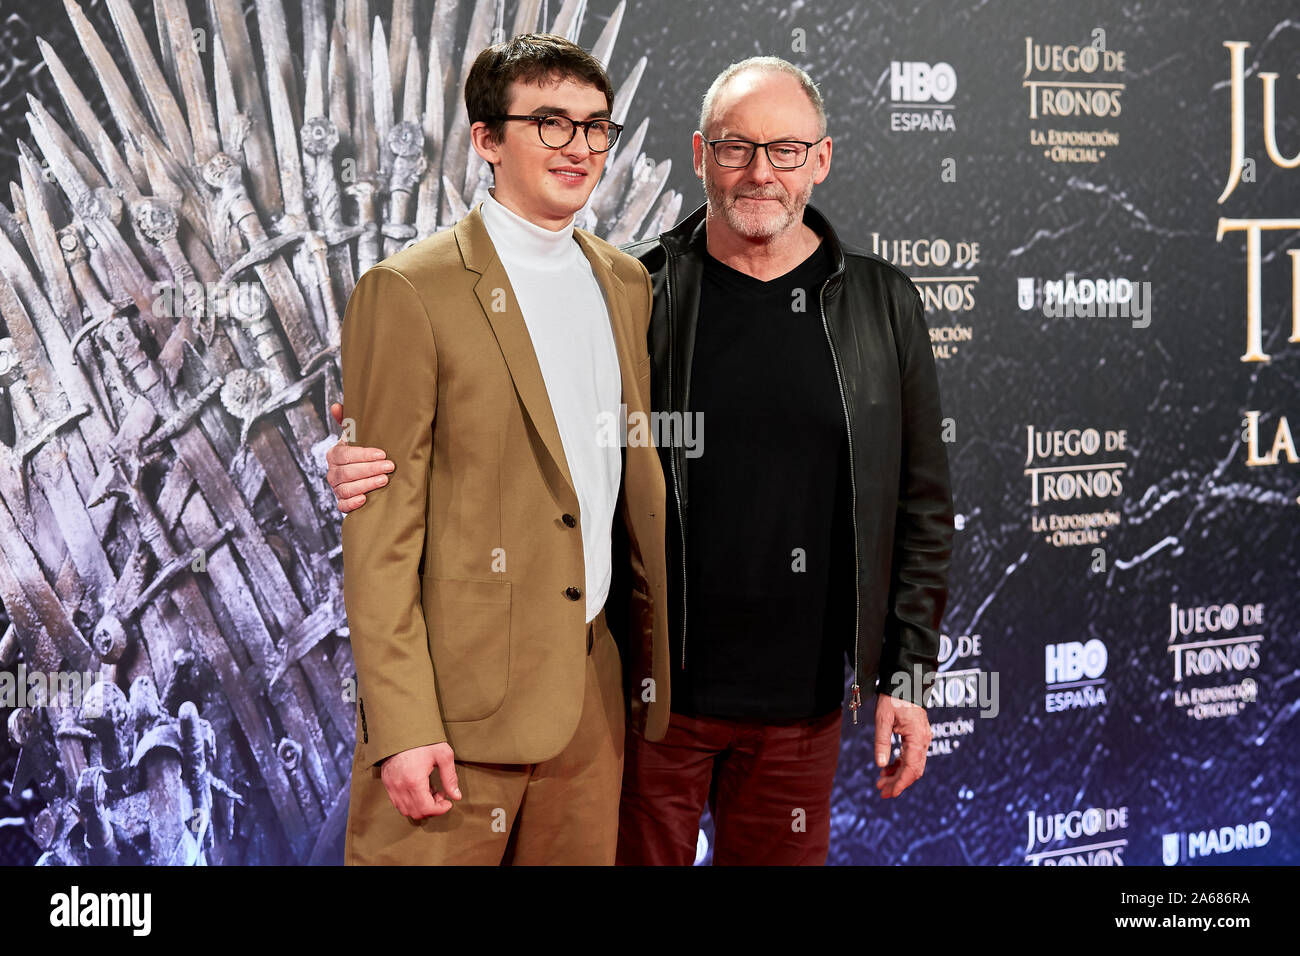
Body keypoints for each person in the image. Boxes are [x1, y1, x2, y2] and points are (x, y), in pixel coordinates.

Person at [329, 56, 953, 866]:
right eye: (735, 147)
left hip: (784, 710)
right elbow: (445, 462)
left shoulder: (865, 303)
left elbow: (921, 503)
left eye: (787, 151)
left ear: (821, 159)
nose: (760, 171)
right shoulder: (642, 286)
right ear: (701, 155)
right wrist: (345, 448)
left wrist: (905, 674)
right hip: (648, 705)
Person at [337, 33, 669, 866]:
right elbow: (380, 534)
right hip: (454, 719)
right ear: (486, 140)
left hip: (590, 708)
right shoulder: (409, 291)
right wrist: (404, 726)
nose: (580, 148)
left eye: (596, 128)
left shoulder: (626, 284)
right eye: (550, 124)